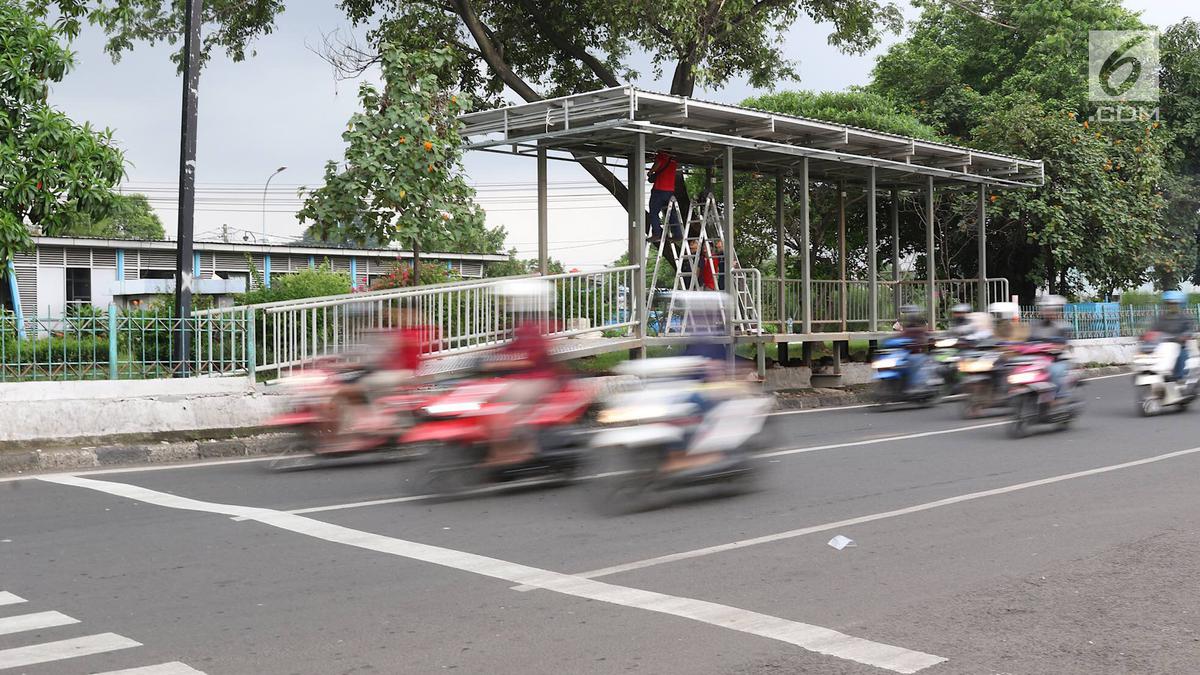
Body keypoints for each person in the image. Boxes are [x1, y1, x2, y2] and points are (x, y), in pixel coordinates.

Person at [479, 279, 565, 466]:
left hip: (538, 380)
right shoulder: (522, 329)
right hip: (524, 379)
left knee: (499, 402)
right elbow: (510, 351)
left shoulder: (534, 330)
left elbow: (529, 358)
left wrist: (495, 364)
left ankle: (517, 449)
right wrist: (488, 359)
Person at [1027, 295, 1074, 398]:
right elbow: (1026, 341)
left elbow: (1065, 344)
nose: (1047, 312)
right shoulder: (1034, 325)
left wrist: (1055, 348)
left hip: (1056, 359)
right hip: (1036, 358)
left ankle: (1057, 396)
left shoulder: (1063, 326)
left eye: (1050, 310)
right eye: (1045, 309)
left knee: (1054, 371)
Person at [1150, 290, 1195, 381]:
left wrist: (1183, 337)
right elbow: (1154, 329)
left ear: (1180, 304)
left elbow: (1189, 331)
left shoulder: (1186, 317)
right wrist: (1147, 335)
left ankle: (1179, 377)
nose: (1172, 306)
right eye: (1169, 304)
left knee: (1180, 355)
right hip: (1163, 346)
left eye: (1174, 303)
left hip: (1179, 345)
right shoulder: (1162, 317)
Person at [647, 151, 681, 243]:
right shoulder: (673, 159)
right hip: (670, 190)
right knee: (671, 214)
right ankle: (677, 234)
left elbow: (658, 163)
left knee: (653, 212)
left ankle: (657, 233)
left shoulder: (662, 156)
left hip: (659, 189)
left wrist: (651, 172)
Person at [896, 304, 931, 392]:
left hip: (916, 350)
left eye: (909, 313)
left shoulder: (921, 322)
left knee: (915, 360)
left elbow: (924, 333)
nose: (908, 315)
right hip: (905, 349)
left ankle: (916, 386)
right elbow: (898, 331)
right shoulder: (904, 322)